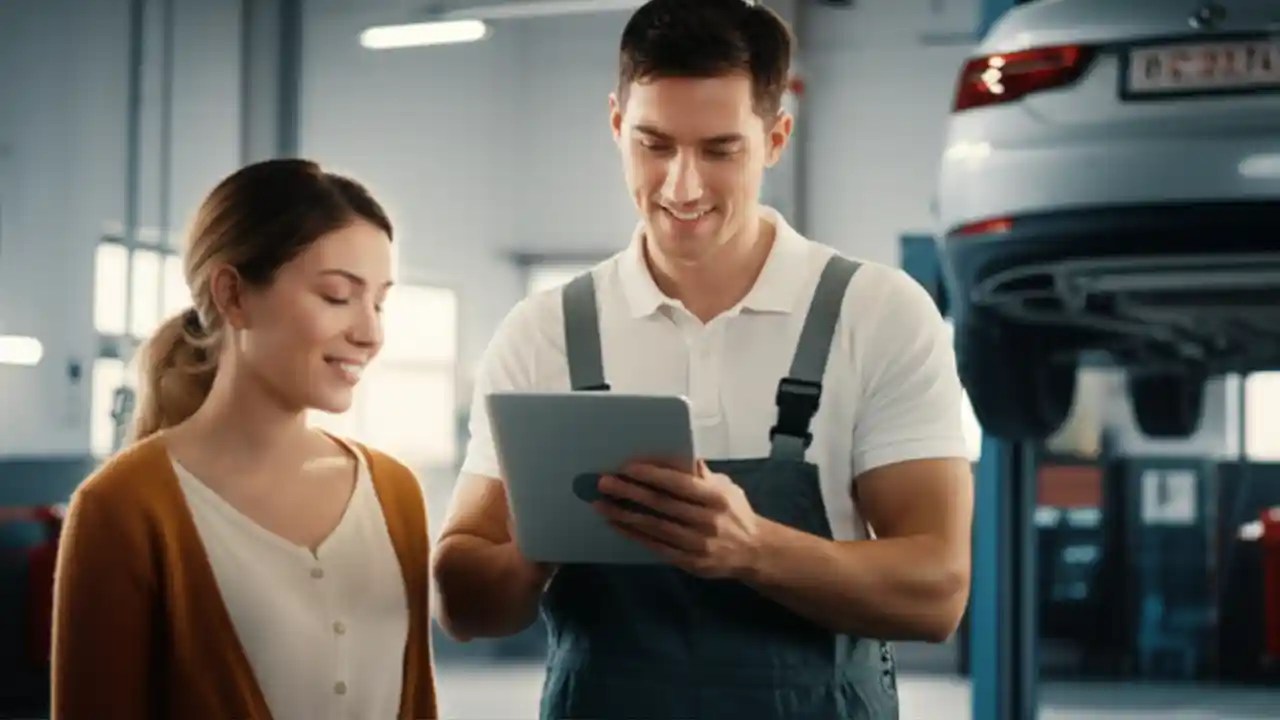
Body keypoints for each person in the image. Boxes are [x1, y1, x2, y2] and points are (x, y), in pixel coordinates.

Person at [433, 0, 975, 718]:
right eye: (654, 145)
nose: (682, 187)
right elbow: (462, 608)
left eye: (720, 150)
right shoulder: (546, 333)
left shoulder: (877, 315)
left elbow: (937, 593)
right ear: (617, 125)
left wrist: (752, 549)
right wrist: (543, 538)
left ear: (776, 137)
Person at [50, 159, 438, 720]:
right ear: (234, 296)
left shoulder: (394, 491)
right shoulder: (124, 506)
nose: (370, 332)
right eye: (336, 296)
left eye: (378, 301)